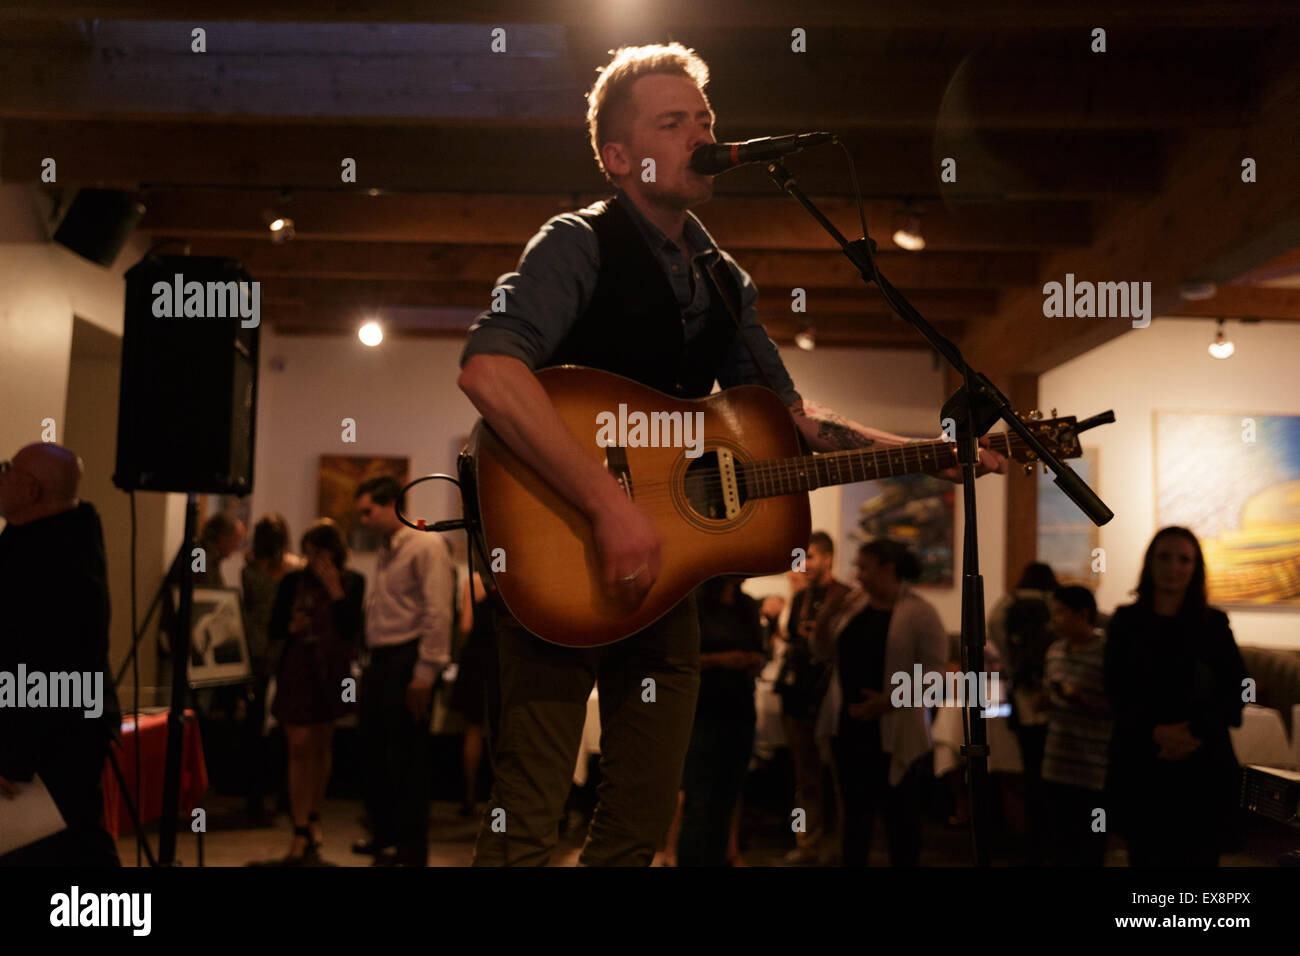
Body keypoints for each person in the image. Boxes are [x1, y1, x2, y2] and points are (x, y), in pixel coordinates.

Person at [457, 42, 1006, 867]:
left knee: (641, 825)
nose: (699, 133)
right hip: (555, 563)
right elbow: (489, 369)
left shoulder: (724, 278)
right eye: (671, 122)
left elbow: (792, 419)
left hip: (670, 582)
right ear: (618, 156)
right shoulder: (577, 243)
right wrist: (610, 509)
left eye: (704, 119)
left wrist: (926, 453)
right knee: (527, 825)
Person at [0, 443, 121, 867]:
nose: (1, 477)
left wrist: (12, 756)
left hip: (49, 743)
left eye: (8, 469)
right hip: (48, 732)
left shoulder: (60, 564)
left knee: (68, 849)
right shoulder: (48, 539)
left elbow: (50, 665)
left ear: (31, 490)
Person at [1104, 527, 1248, 867]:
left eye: (1184, 559)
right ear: (1149, 563)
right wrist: (1155, 731)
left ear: (1195, 568)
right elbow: (1115, 688)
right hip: (1142, 761)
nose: (1173, 567)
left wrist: (1192, 733)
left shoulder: (1213, 624)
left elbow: (1237, 687)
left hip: (1201, 764)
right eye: (1164, 557)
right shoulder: (1126, 621)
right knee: (1145, 857)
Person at [813, 540, 946, 867]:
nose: (857, 575)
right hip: (849, 725)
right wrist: (827, 613)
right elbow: (823, 653)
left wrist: (887, 702)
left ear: (888, 568)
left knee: (901, 816)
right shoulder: (854, 607)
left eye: (864, 567)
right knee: (855, 815)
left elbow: (935, 675)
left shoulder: (919, 612)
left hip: (895, 728)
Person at [352, 476, 455, 867]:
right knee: (375, 751)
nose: (364, 519)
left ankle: (412, 850)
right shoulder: (389, 547)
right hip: (382, 659)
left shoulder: (424, 544)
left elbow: (438, 610)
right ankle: (384, 836)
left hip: (407, 659)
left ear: (393, 503)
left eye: (369, 510)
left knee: (408, 757)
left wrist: (425, 673)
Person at [252, 519, 363, 866]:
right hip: (297, 668)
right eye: (311, 552)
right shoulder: (291, 582)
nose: (316, 560)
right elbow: (274, 628)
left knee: (321, 745)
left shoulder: (352, 581)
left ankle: (313, 815)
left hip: (331, 671)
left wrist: (334, 591)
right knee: (298, 746)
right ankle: (299, 827)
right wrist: (291, 626)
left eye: (323, 552)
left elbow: (352, 629)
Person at [676, 576, 765, 866]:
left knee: (727, 799)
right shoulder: (697, 603)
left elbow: (758, 649)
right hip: (704, 710)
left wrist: (752, 660)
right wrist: (722, 660)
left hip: (739, 708)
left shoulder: (747, 605)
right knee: (699, 801)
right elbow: (682, 659)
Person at [774, 531, 850, 865]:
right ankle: (806, 843)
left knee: (841, 776)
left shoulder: (846, 596)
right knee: (804, 777)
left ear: (828, 558)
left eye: (811, 557)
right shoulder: (801, 597)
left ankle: (847, 845)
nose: (804, 565)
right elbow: (790, 637)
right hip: (796, 692)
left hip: (830, 695)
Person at [1041, 586, 1111, 866]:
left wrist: (1081, 698)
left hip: (1093, 770)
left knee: (1091, 846)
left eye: (1059, 612)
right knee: (1058, 844)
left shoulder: (1107, 652)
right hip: (1056, 764)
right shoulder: (1055, 650)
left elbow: (1121, 706)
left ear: (1082, 613)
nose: (1053, 620)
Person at [239, 514, 302, 823]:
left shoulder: (252, 570)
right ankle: (282, 797)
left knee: (261, 727)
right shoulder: (292, 568)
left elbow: (249, 611)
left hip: (262, 650)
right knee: (281, 725)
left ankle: (260, 797)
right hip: (277, 649)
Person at [995, 561, 1058, 864]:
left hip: (1020, 691)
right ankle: (1053, 837)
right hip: (1052, 693)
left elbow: (992, 626)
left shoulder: (1012, 603)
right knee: (1053, 769)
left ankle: (1033, 840)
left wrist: (1010, 664)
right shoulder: (1053, 602)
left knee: (1029, 768)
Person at [449, 570, 500, 817]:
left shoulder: (473, 579)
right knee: (503, 729)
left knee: (473, 728)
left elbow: (466, 624)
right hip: (501, 657)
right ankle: (502, 797)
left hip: (476, 658)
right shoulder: (511, 573)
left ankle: (469, 797)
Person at [196, 512, 246, 588]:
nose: (237, 546)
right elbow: (204, 593)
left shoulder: (207, 555)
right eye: (236, 539)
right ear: (222, 538)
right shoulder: (199, 556)